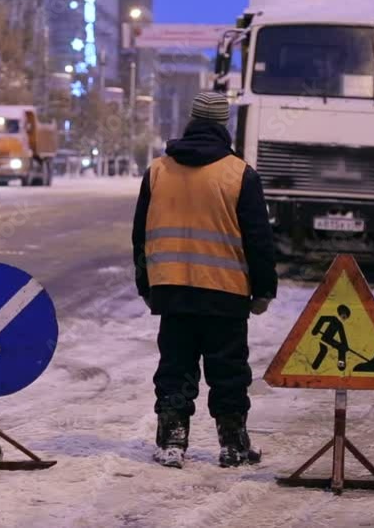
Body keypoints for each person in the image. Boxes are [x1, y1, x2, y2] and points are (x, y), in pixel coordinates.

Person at [132, 91, 277, 469]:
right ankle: (233, 443)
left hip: (173, 292)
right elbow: (259, 240)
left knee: (176, 367)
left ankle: (172, 439)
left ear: (191, 121)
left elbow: (140, 236)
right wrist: (263, 290)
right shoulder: (239, 174)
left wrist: (147, 286)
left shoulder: (158, 171)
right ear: (223, 125)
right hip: (225, 294)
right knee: (228, 370)